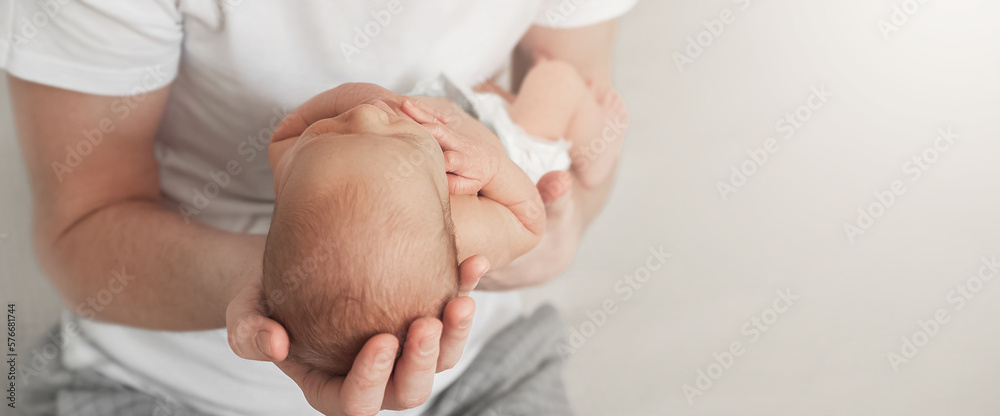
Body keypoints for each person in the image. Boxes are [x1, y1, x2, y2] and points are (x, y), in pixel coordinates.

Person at [3, 1, 635, 414]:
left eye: (332, 132)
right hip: (160, 388)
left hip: (475, 382)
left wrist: (553, 238)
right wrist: (266, 284)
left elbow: (574, 154)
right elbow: (82, 223)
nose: (365, 110)